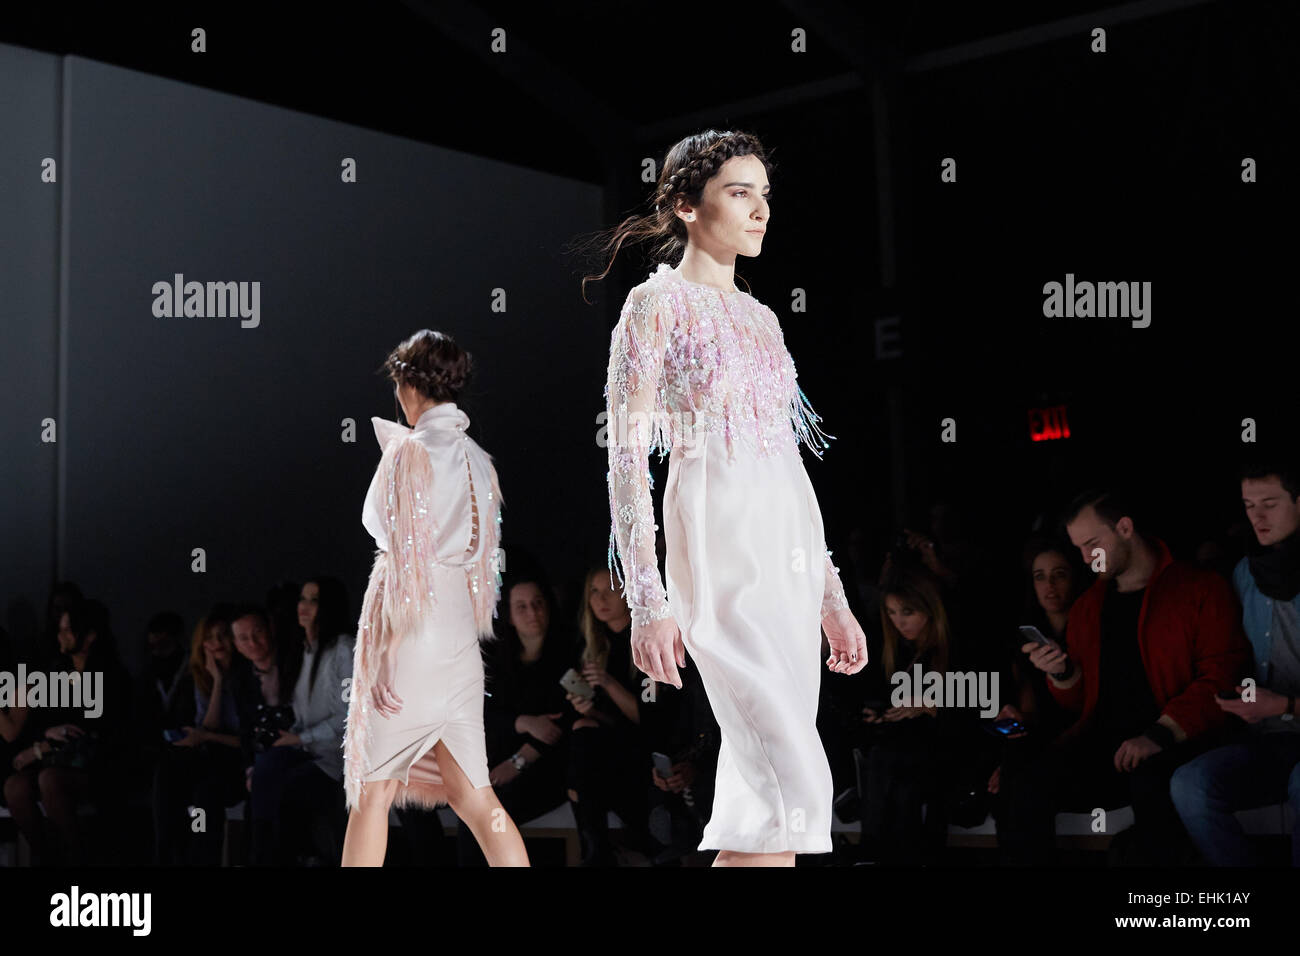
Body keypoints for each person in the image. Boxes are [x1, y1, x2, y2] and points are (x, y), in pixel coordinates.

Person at [591, 130, 868, 866]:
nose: (761, 211)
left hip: (786, 555)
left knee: (767, 805)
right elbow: (625, 462)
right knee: (794, 784)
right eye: (739, 194)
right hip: (715, 540)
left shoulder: (762, 318)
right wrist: (647, 602)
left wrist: (831, 598)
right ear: (686, 204)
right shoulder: (655, 306)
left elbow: (790, 466)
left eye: (765, 196)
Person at [341, 329, 529, 867]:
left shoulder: (411, 454)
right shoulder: (477, 459)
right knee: (476, 798)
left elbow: (402, 561)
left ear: (408, 382)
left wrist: (383, 657)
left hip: (412, 638)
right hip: (459, 643)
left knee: (372, 794)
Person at [998, 488, 1251, 865]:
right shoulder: (1089, 607)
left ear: (1125, 528)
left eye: (1093, 544)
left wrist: (1159, 734)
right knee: (1021, 787)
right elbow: (1078, 702)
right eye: (1078, 548)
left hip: (1175, 741)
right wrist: (1063, 672)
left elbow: (1221, 678)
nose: (1086, 558)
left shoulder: (1199, 589)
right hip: (1103, 746)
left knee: (1151, 785)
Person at [1171, 458, 1300, 865]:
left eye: (1270, 503)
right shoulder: (1246, 571)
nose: (1257, 516)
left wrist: (1283, 705)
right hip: (1268, 740)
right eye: (1248, 505)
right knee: (1190, 784)